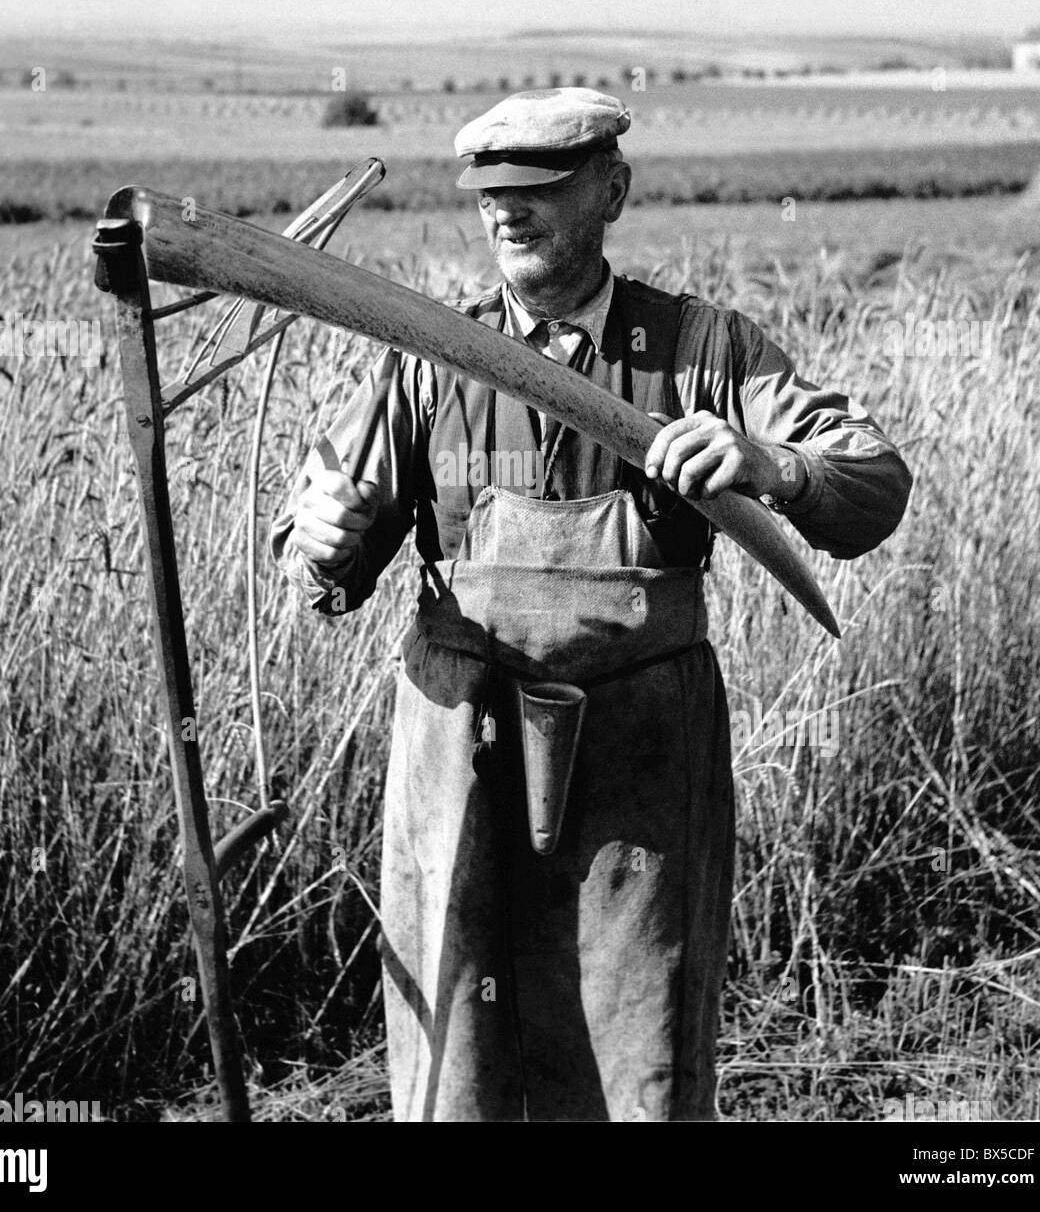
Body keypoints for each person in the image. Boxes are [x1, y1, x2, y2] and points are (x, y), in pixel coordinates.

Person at [271, 87, 912, 1122]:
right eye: (490, 195)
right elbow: (325, 553)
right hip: (461, 772)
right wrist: (321, 546)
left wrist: (769, 462)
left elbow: (873, 484)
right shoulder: (430, 352)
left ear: (612, 191)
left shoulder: (707, 354)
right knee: (457, 1070)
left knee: (638, 1062)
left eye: (539, 190)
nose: (507, 214)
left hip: (637, 792)